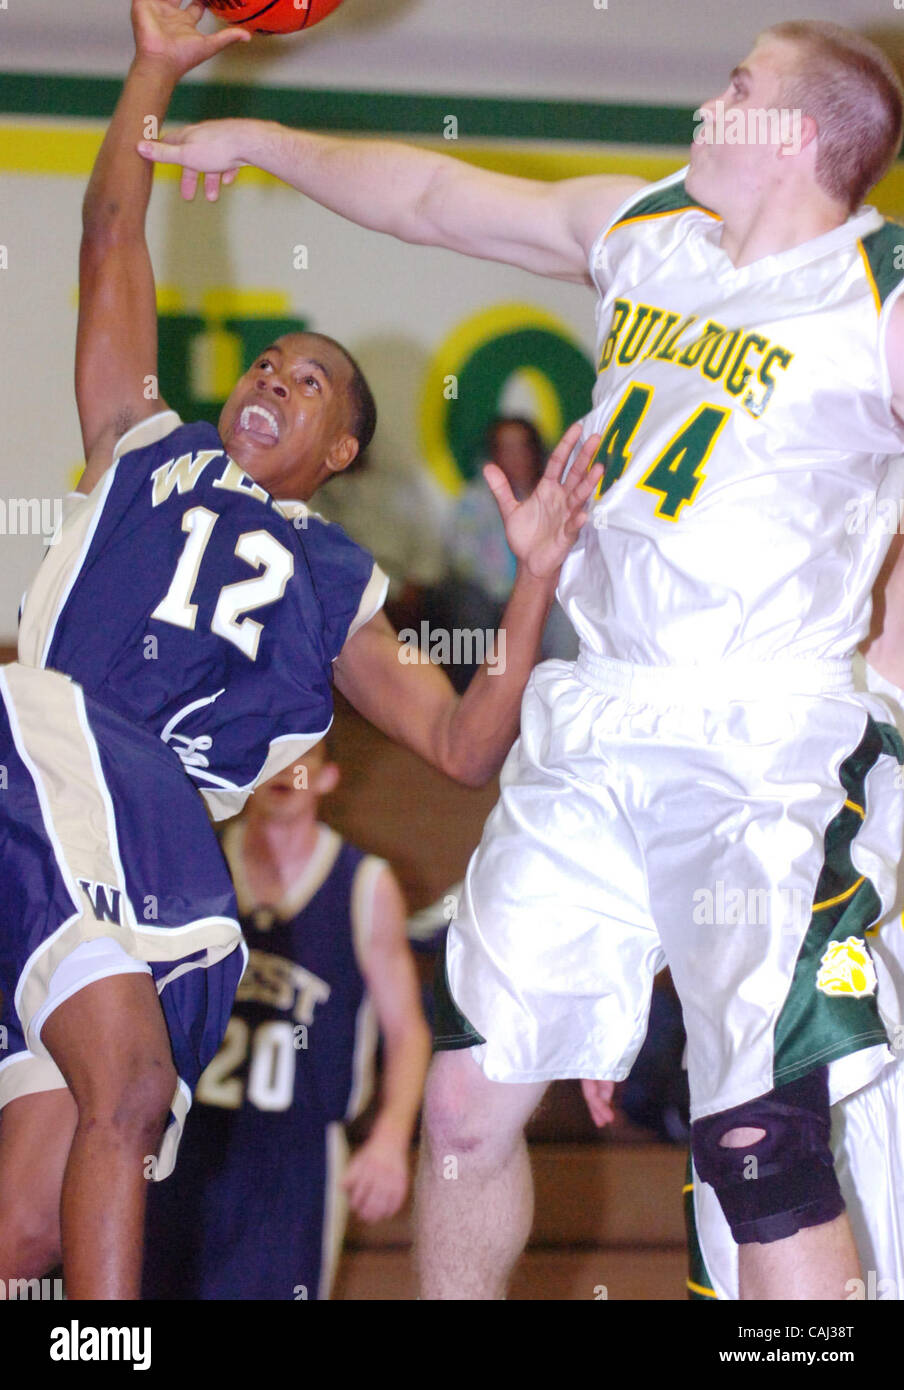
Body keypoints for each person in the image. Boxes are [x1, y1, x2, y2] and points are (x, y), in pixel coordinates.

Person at [141, 19, 904, 1300]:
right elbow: (437, 196)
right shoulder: (646, 228)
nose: (707, 101)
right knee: (462, 1105)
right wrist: (263, 139)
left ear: (798, 135)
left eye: (738, 86)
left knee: (759, 1142)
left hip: (763, 745)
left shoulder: (875, 290)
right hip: (590, 717)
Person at [0, 0, 602, 1300]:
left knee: (34, 1226)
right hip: (54, 755)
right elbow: (113, 231)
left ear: (339, 457)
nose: (274, 374)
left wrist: (536, 576)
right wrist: (153, 65)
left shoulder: (335, 585)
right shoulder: (141, 441)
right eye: (269, 359)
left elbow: (459, 744)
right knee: (137, 1084)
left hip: (138, 843)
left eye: (312, 379)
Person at [143, 742, 430, 1300]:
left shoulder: (365, 884)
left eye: (304, 759)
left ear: (327, 778)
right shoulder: (198, 864)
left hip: (297, 1159)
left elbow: (407, 1029)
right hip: (187, 1139)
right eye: (271, 755)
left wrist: (391, 1137)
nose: (286, 772)